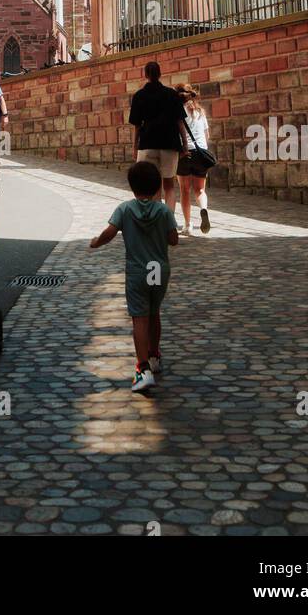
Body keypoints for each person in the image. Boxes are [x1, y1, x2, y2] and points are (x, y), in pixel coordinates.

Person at [89, 159, 178, 394]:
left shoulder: (125, 209)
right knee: (154, 312)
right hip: (158, 269)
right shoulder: (164, 210)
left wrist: (97, 242)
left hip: (138, 272)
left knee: (139, 318)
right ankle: (154, 354)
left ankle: (142, 369)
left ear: (131, 187)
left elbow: (109, 232)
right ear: (158, 186)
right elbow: (174, 239)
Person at [128, 61, 189, 228]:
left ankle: (155, 223)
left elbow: (137, 126)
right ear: (160, 74)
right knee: (169, 185)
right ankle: (168, 223)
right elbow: (180, 122)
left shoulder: (139, 96)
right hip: (169, 144)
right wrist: (185, 145)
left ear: (146, 75)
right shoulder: (171, 94)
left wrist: (134, 148)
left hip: (147, 144)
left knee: (152, 186)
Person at [176, 86, 212, 235]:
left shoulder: (177, 112)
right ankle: (203, 208)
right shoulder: (200, 112)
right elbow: (207, 135)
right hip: (201, 153)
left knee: (184, 190)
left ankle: (188, 225)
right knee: (200, 189)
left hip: (185, 153)